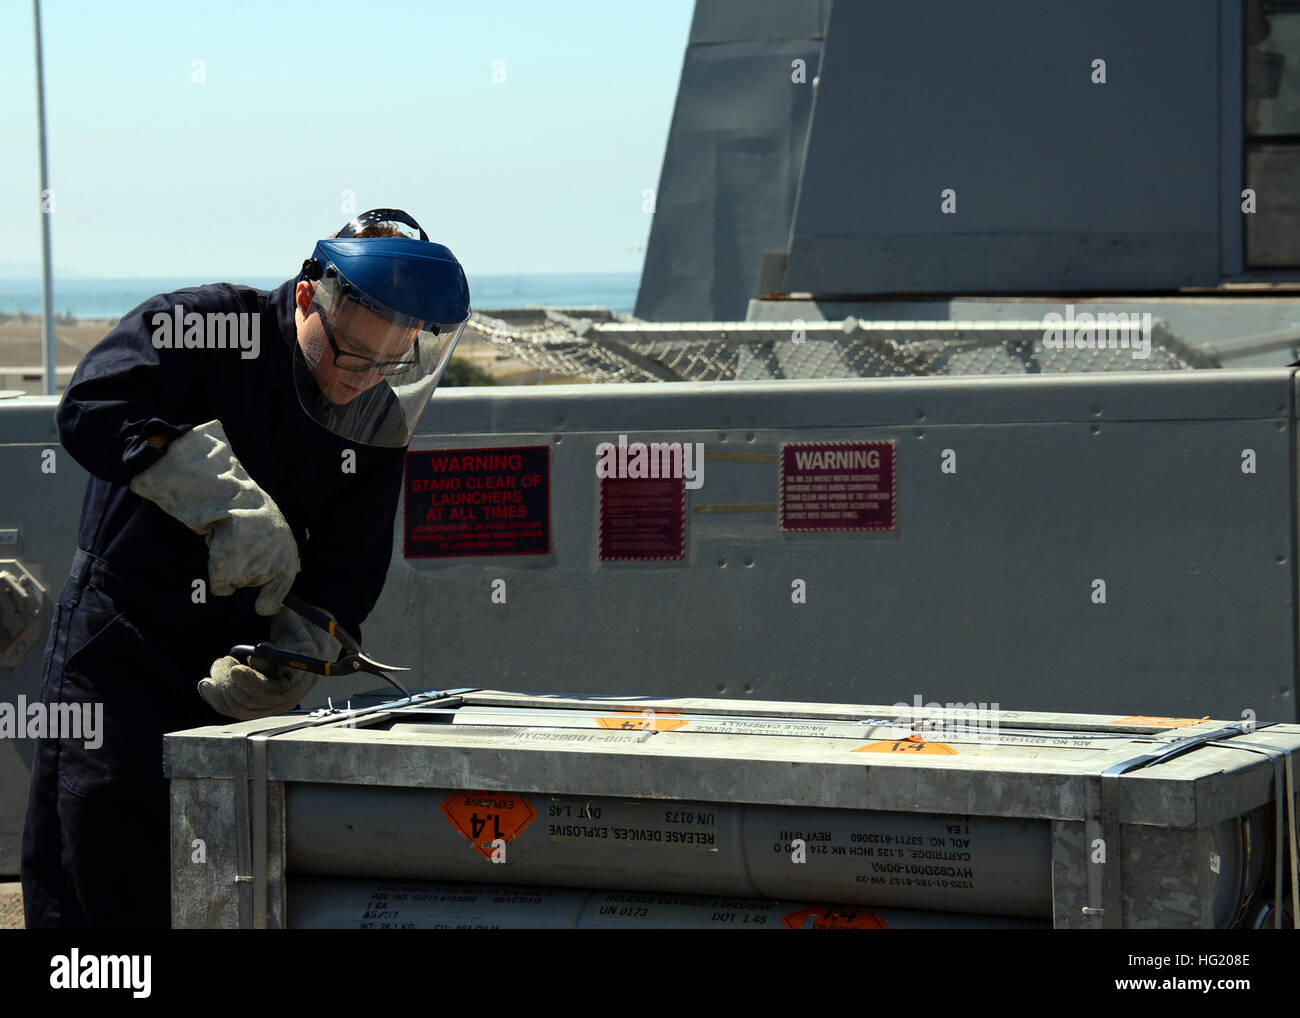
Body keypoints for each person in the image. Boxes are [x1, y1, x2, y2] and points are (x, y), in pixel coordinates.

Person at [21, 208, 470, 928]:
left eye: (389, 364)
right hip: (119, 646)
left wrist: (298, 650)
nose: (360, 380)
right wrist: (212, 493)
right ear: (305, 298)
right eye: (350, 354)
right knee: (95, 865)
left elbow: (350, 565)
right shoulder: (201, 327)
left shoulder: (376, 415)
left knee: (218, 878)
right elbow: (91, 407)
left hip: (237, 666)